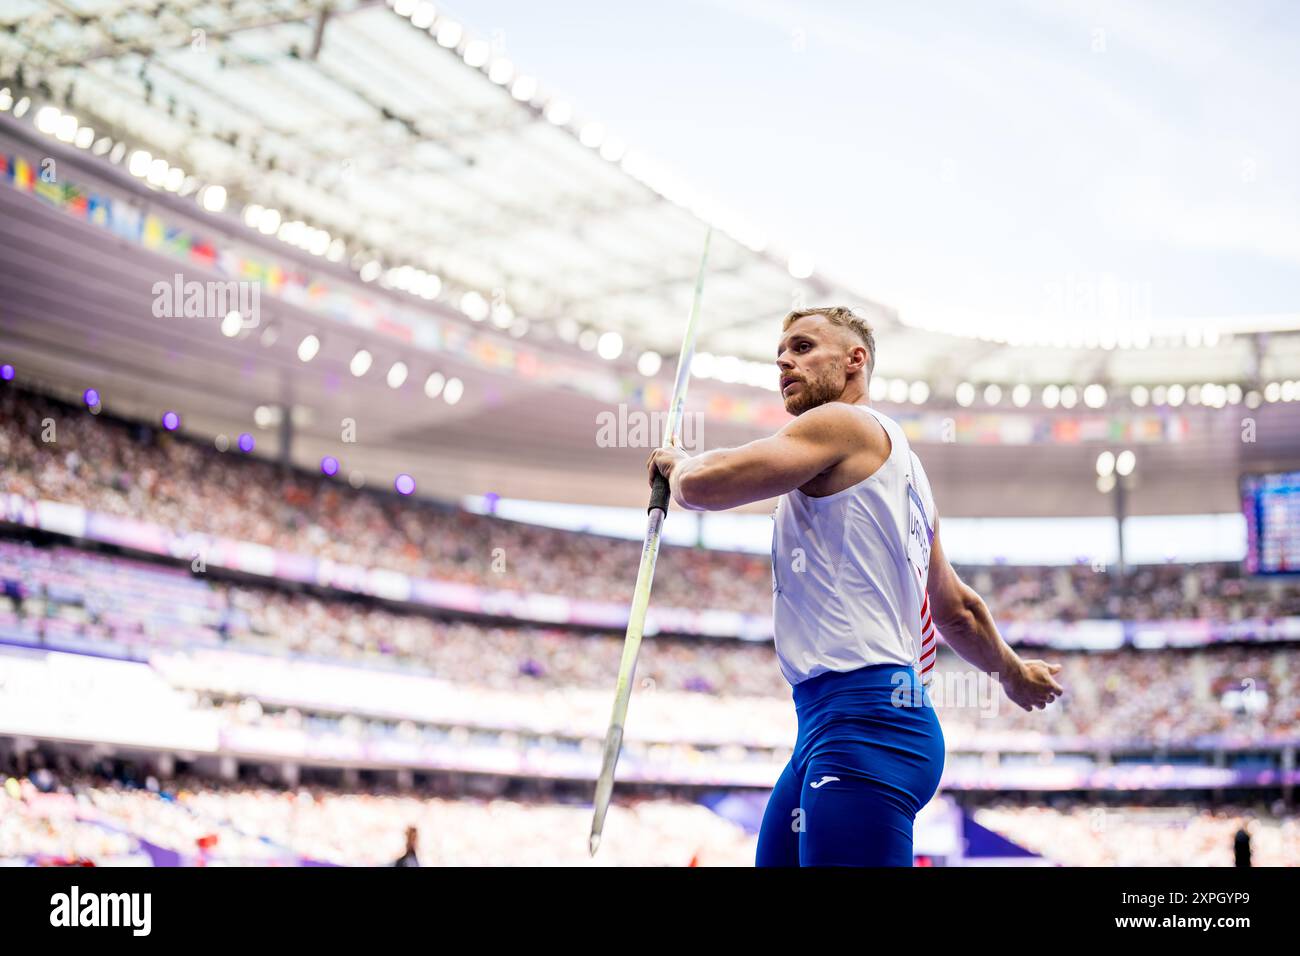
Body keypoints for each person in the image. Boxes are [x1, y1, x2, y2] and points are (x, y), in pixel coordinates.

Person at [647, 306, 1064, 866]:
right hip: (839, 722)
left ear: (854, 360)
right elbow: (957, 611)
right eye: (780, 353)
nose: (783, 361)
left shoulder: (841, 424)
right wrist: (1014, 673)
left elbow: (705, 485)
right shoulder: (912, 483)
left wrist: (677, 465)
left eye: (801, 347)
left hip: (865, 721)